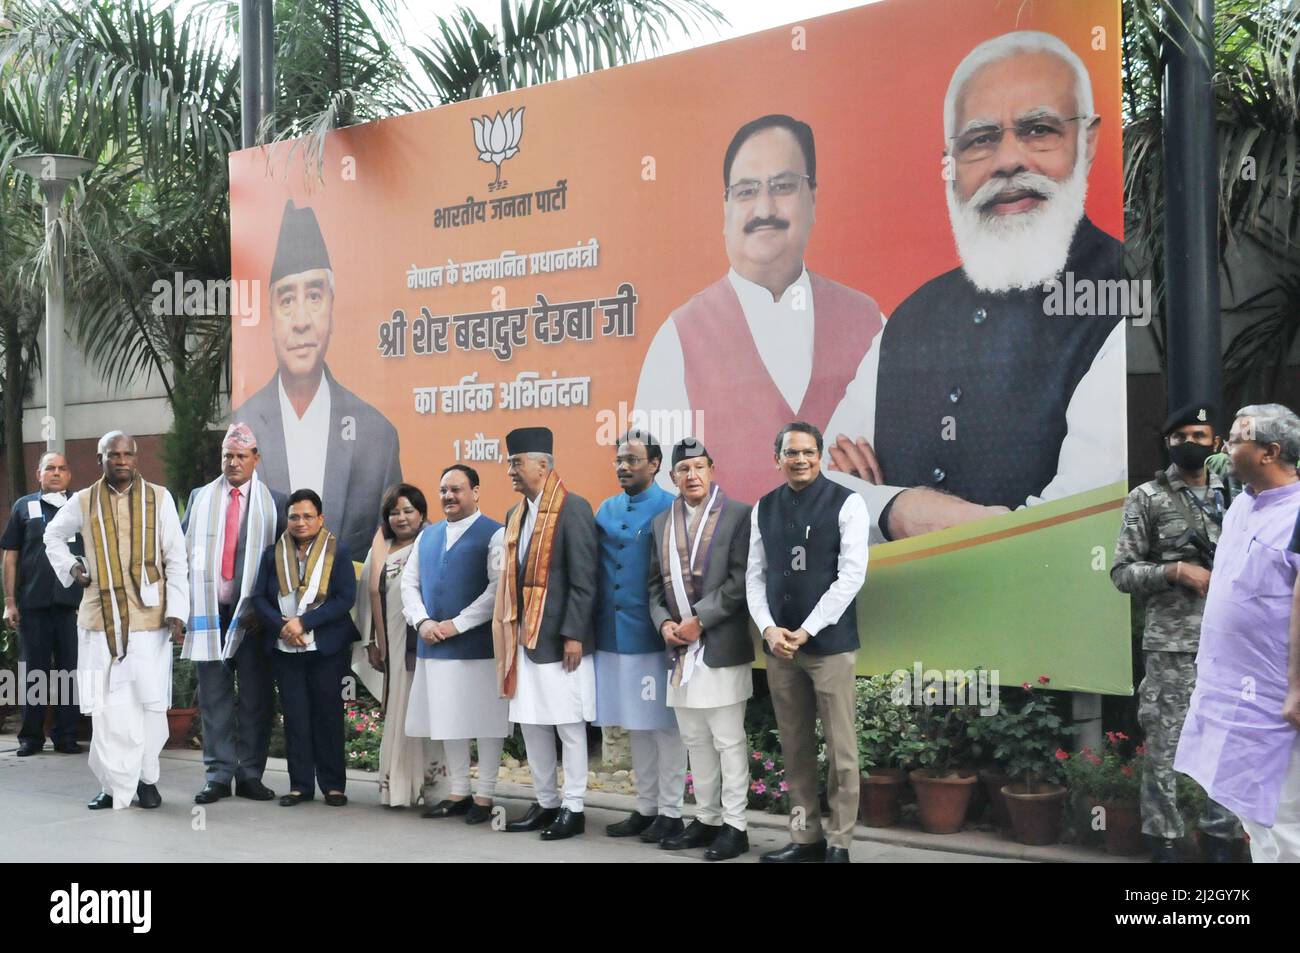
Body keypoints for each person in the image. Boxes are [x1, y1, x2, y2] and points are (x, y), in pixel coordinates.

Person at [826, 31, 1125, 540]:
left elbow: (1069, 527)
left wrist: (875, 505)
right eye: (981, 139)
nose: (1008, 161)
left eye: (1038, 129)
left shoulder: (1122, 292)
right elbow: (819, 491)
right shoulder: (911, 318)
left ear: (1088, 140)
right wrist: (901, 509)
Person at [634, 114, 884, 504]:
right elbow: (658, 496)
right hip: (732, 564)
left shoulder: (869, 322)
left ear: (813, 198)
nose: (764, 207)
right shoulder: (678, 338)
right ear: (726, 207)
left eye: (783, 186)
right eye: (747, 191)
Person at [233, 200, 402, 558]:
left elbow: (393, 548)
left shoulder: (377, 436)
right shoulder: (245, 424)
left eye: (313, 295)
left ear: (332, 307)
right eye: (286, 299)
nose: (301, 320)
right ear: (270, 316)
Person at [1110, 403, 1241, 862]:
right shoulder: (1147, 497)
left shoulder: (1240, 495)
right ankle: (1163, 839)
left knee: (1227, 740)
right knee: (1166, 745)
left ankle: (1220, 836)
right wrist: (1175, 572)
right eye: (1181, 435)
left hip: (1232, 642)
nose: (1191, 443)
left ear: (1218, 442)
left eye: (1201, 435)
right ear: (1167, 443)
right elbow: (1122, 572)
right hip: (1173, 645)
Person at [1175, 404, 1300, 863]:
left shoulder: (1297, 514)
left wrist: (1297, 689)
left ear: (1271, 451)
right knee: (1255, 818)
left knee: (1286, 819)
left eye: (1236, 439)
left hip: (1278, 701)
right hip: (1231, 693)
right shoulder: (1243, 504)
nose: (1223, 446)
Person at [44, 432, 188, 810]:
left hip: (148, 620)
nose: (120, 460)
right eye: (113, 455)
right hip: (98, 620)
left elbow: (176, 557)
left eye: (127, 454)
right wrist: (73, 566)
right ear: (100, 459)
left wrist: (177, 612)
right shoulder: (83, 499)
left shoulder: (160, 498)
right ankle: (111, 784)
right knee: (106, 708)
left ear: (136, 458)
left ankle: (146, 780)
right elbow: (52, 535)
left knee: (149, 704)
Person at [745, 422, 869, 862]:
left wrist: (808, 629)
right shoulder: (763, 507)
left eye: (808, 452)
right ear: (776, 458)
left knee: (841, 751)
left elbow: (851, 575)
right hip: (780, 649)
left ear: (819, 456)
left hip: (829, 646)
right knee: (795, 749)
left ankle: (839, 843)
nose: (800, 460)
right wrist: (768, 629)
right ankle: (805, 840)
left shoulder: (847, 503)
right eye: (791, 453)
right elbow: (754, 576)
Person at [647, 438, 754, 860]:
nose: (691, 476)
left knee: (728, 739)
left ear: (711, 469)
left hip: (720, 645)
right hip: (679, 653)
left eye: (698, 467)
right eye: (683, 469)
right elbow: (654, 586)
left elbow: (742, 580)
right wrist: (665, 623)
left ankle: (736, 825)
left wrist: (700, 620)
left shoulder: (740, 516)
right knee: (694, 739)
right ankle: (707, 819)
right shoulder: (662, 522)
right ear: (672, 476)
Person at [492, 427, 598, 841]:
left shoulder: (574, 508)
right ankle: (546, 801)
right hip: (522, 639)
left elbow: (585, 579)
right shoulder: (514, 515)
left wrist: (575, 633)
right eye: (509, 464)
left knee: (568, 725)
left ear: (542, 464)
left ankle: (574, 807)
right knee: (531, 725)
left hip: (561, 642)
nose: (511, 471)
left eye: (516, 463)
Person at [183, 423, 287, 805]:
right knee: (213, 697)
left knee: (257, 697)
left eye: (242, 456)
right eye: (228, 455)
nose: (233, 462)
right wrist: (182, 611)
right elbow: (181, 552)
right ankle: (218, 773)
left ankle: (250, 774)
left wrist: (268, 609)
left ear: (256, 459)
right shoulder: (200, 497)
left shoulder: (276, 501)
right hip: (210, 612)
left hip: (254, 617)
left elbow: (283, 565)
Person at [401, 466, 509, 823]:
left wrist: (456, 624)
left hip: (479, 647)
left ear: (475, 492)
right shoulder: (426, 536)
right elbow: (409, 583)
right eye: (443, 489)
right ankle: (459, 791)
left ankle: (485, 794)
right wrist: (423, 621)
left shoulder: (496, 534)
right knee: (449, 720)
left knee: (487, 723)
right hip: (435, 645)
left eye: (457, 489)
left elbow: (497, 591)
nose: (448, 496)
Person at [593, 430, 685, 845]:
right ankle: (646, 808)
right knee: (636, 725)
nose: (623, 467)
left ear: (655, 465)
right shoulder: (606, 509)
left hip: (655, 636)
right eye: (618, 460)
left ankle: (672, 812)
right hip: (612, 635)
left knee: (665, 727)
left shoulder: (672, 507)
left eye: (632, 459)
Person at [251, 488, 360, 807]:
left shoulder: (338, 551)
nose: (300, 522)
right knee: (295, 717)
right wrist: (284, 626)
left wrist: (304, 623)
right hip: (286, 649)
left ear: (321, 518)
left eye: (308, 516)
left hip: (326, 648)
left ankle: (333, 785)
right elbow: (259, 597)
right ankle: (300, 785)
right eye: (294, 516)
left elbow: (344, 599)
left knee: (328, 715)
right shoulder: (273, 554)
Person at [358, 483, 438, 808]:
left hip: (423, 643)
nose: (401, 518)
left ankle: (431, 786)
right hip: (390, 642)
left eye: (408, 510)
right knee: (399, 711)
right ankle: (400, 787)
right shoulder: (380, 550)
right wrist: (371, 641)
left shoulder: (432, 543)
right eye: (394, 512)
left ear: (421, 514)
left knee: (424, 710)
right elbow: (366, 597)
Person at [1, 451, 83, 756]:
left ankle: (65, 737)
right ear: (39, 474)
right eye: (50, 468)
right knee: (33, 673)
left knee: (70, 672)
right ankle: (31, 738)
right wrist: (10, 601)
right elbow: (11, 555)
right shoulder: (24, 506)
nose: (56, 473)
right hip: (33, 605)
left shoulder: (80, 506)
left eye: (62, 468)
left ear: (69, 475)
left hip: (72, 606)